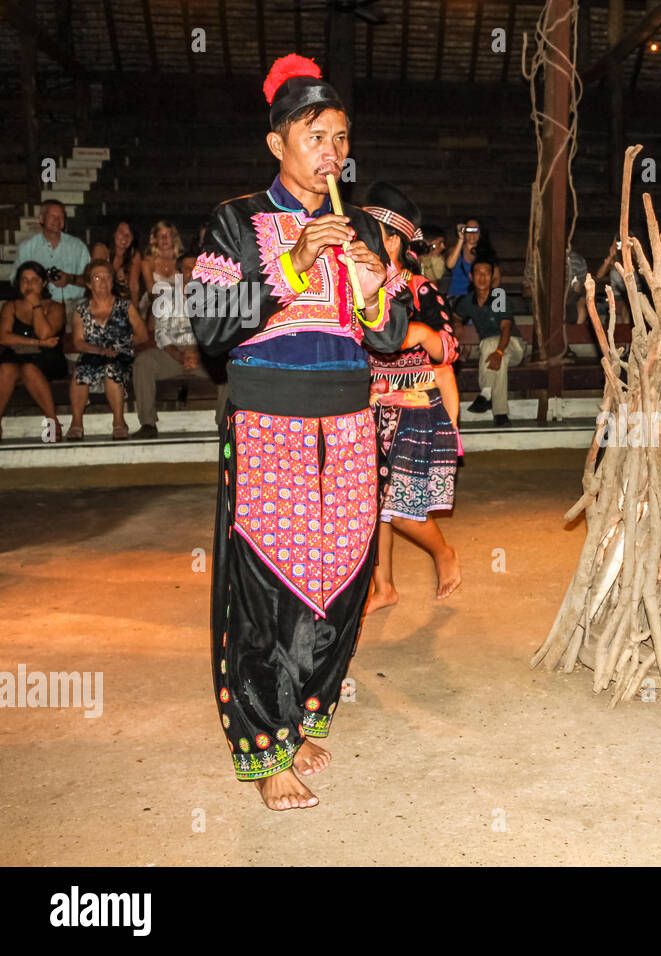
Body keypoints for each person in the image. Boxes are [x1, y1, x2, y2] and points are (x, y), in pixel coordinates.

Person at [189, 54, 410, 811]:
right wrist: (293, 259)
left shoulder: (362, 229)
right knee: (268, 590)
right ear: (276, 142)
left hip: (348, 423)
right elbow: (210, 325)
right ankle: (264, 746)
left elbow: (388, 338)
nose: (332, 152)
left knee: (341, 579)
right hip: (269, 424)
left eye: (341, 137)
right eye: (316, 136)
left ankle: (301, 713)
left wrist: (375, 291)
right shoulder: (236, 220)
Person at [361, 182, 463, 609]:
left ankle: (443, 552)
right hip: (368, 407)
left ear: (393, 242)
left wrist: (419, 333)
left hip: (416, 408)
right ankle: (384, 587)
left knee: (400, 510)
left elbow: (449, 350)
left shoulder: (420, 290)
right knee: (373, 504)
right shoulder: (355, 289)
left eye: (371, 233)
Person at [131, 239, 218, 439]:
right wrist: (179, 355)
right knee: (143, 362)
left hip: (203, 354)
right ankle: (148, 424)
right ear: (179, 273)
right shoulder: (166, 298)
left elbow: (215, 334)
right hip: (173, 353)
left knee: (228, 366)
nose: (193, 273)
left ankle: (224, 423)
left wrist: (197, 353)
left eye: (196, 268)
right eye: (188, 269)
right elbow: (161, 334)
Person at [68, 260, 148, 441]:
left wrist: (121, 345)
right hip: (93, 354)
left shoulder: (125, 306)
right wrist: (99, 350)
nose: (103, 282)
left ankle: (119, 422)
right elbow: (78, 342)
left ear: (112, 281)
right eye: (97, 278)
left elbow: (142, 335)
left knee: (113, 369)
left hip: (120, 356)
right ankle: (76, 423)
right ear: (89, 283)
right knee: (81, 372)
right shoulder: (81, 310)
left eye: (107, 277)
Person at [0, 262, 66, 441]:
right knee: (6, 368)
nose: (29, 285)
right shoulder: (10, 306)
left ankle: (53, 423)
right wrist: (37, 342)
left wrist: (36, 306)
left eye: (34, 280)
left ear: (44, 283)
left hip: (47, 358)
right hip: (16, 356)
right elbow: (3, 337)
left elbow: (45, 333)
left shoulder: (55, 307)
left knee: (29, 368)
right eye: (24, 280)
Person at [456, 258, 522, 427]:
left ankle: (485, 394)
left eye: (487, 273)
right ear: (471, 276)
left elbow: (505, 329)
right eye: (478, 273)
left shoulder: (497, 296)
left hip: (513, 345)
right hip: (495, 352)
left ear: (492, 277)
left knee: (489, 344)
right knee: (498, 359)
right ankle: (500, 414)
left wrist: (499, 351)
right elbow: (455, 316)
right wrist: (457, 323)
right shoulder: (468, 300)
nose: (482, 277)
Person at [12, 200, 90, 307]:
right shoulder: (27, 247)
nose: (57, 220)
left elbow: (90, 279)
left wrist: (70, 279)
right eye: (52, 216)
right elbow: (15, 279)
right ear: (41, 219)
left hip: (72, 304)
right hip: (37, 304)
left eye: (61, 216)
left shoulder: (78, 246)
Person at [444, 216, 499, 298]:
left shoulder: (487, 252)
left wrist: (487, 296)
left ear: (480, 233)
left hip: (476, 298)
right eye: (469, 229)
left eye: (475, 230)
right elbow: (449, 265)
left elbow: (496, 278)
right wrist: (461, 239)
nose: (472, 233)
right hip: (455, 296)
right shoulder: (455, 250)